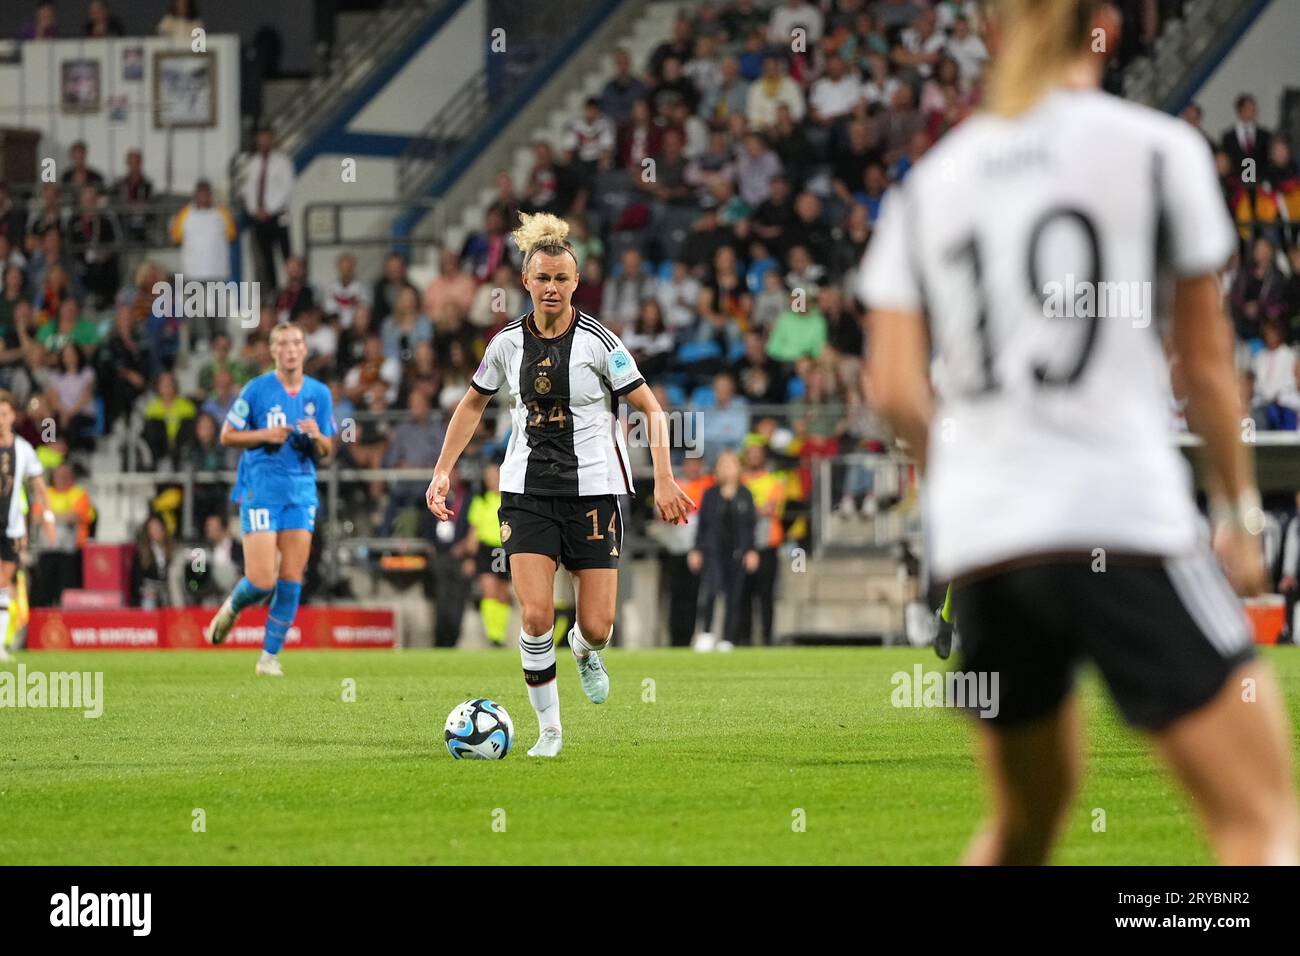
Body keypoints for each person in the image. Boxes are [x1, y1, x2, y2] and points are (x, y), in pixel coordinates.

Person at [861, 0, 1298, 865]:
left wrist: (981, 474)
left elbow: (896, 388)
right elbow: (1205, 368)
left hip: (990, 544)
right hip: (1120, 517)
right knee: (1262, 822)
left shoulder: (932, 184)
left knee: (1024, 827)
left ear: (989, 29)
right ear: (1107, 24)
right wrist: (1241, 514)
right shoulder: (1156, 150)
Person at [425, 212, 694, 757]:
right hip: (526, 490)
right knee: (534, 613)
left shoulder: (601, 342)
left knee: (597, 624)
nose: (551, 287)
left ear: (575, 283)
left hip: (595, 490)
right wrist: (442, 469)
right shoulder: (505, 343)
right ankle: (550, 729)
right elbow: (473, 402)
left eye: (561, 279)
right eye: (542, 278)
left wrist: (663, 478)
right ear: (525, 281)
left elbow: (652, 410)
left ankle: (584, 649)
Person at [204, 323, 336, 676]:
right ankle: (233, 606)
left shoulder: (319, 394)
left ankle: (269, 658)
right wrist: (266, 435)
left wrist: (318, 436)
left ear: (305, 349)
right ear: (273, 351)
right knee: (262, 580)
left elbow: (328, 450)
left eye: (297, 342)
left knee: (292, 576)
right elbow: (227, 435)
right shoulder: (257, 390)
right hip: (261, 490)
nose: (291, 349)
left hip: (301, 492)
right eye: (283, 344)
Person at [0, 392, 55, 660]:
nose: (0, 419)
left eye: (4, 413)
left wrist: (48, 518)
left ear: (13, 416)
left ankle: (0, 644)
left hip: (10, 528)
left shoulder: (23, 449)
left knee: (4, 582)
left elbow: (39, 485)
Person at [689, 449, 758, 651]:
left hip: (737, 551)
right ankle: (707, 633)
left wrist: (751, 550)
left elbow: (750, 526)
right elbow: (702, 525)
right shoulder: (710, 494)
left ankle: (728, 637)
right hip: (713, 551)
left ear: (739, 468)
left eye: (731, 464)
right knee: (710, 591)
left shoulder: (746, 494)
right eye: (723, 464)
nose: (727, 468)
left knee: (734, 595)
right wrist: (696, 549)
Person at [240, 127, 294, 288]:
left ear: (272, 140)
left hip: (278, 215)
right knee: (266, 257)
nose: (263, 143)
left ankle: (292, 288)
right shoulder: (251, 163)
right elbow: (247, 189)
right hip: (259, 217)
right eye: (260, 140)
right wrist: (254, 210)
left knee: (286, 254)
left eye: (266, 139)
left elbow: (287, 189)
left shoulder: (283, 162)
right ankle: (273, 290)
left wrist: (269, 210)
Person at [467, 461, 511, 647]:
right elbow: (474, 530)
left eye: (495, 476)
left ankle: (499, 634)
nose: (492, 480)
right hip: (486, 549)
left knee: (502, 593)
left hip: (505, 549)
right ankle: (492, 634)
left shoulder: (509, 499)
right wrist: (470, 555)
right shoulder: (481, 501)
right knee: (489, 590)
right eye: (489, 477)